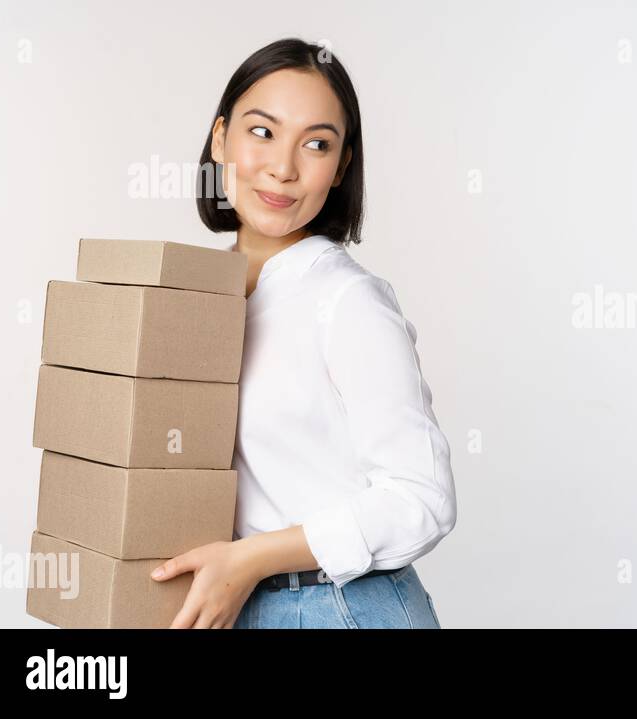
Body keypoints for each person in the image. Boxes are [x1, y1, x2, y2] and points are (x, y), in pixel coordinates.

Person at [148, 37, 457, 629]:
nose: (283, 168)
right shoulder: (198, 300)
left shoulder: (346, 300)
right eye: (262, 132)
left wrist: (253, 558)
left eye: (316, 144)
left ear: (340, 168)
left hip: (338, 607)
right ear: (220, 140)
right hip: (233, 605)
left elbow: (423, 498)